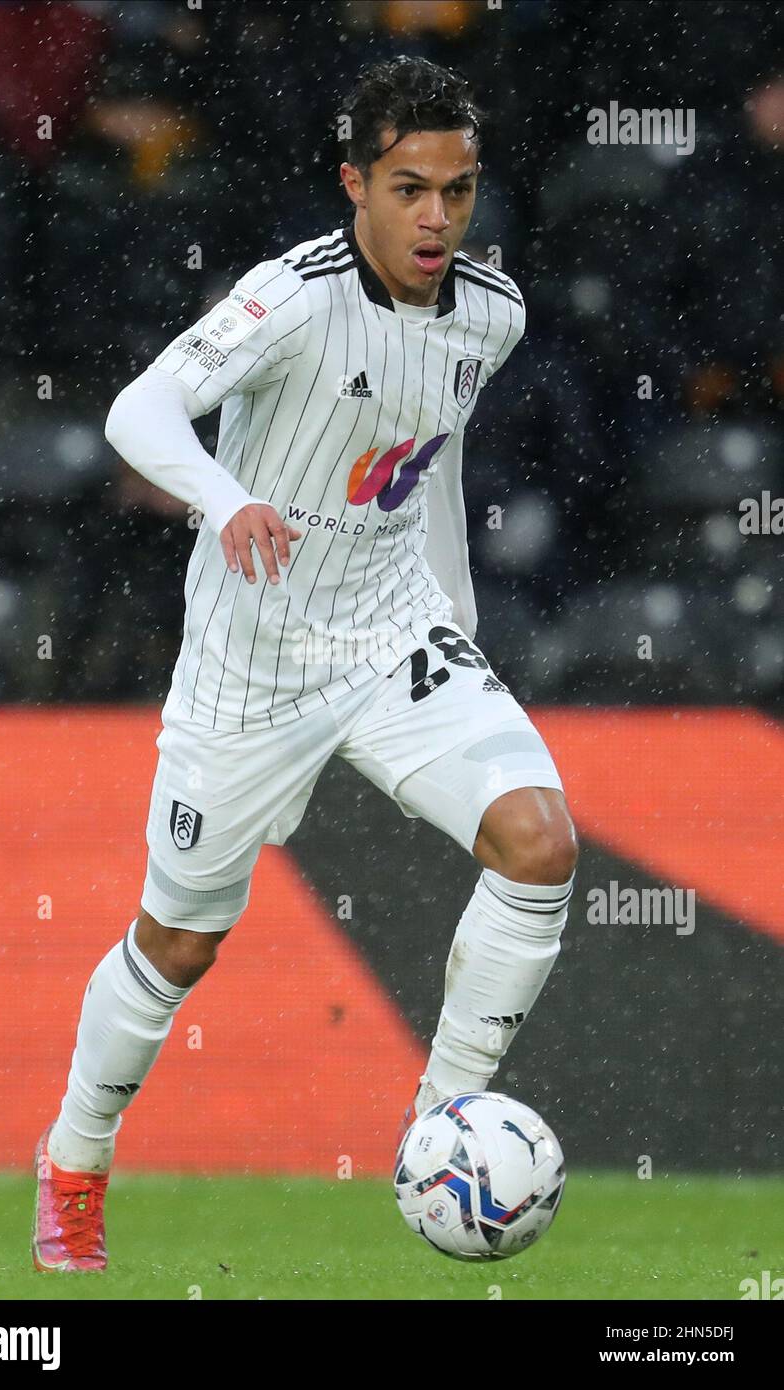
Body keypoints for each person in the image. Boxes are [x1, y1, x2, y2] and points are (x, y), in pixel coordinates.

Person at [32, 55, 578, 1273]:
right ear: (355, 185)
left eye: (456, 188)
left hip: (393, 638)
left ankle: (438, 1121)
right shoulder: (289, 296)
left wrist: (455, 620)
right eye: (407, 187)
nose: (435, 215)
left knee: (537, 843)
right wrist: (225, 502)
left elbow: (421, 466)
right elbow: (139, 413)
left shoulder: (493, 312)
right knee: (178, 944)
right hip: (248, 667)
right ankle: (73, 1160)